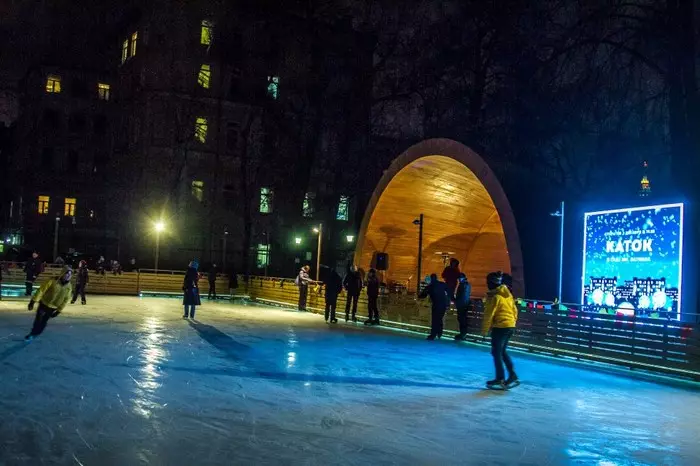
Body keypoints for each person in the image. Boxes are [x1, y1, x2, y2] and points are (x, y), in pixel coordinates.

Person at [482, 271, 519, 389]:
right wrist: (512, 322)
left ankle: (500, 378)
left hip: (501, 327)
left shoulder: (495, 297)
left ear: (491, 283)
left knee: (496, 352)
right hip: (509, 325)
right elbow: (515, 310)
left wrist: (484, 330)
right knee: (501, 351)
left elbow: (489, 314)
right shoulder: (507, 295)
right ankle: (512, 375)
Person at [25, 265, 73, 341]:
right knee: (38, 319)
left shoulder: (69, 286)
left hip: (53, 307)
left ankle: (37, 332)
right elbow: (41, 290)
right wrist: (33, 301)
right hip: (44, 303)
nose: (68, 276)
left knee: (44, 321)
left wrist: (59, 310)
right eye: (67, 273)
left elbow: (66, 299)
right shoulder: (52, 280)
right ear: (62, 273)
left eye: (70, 274)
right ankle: (33, 333)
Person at [418, 273, 451, 340]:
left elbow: (422, 295)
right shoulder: (442, 284)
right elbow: (449, 291)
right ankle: (439, 333)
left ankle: (433, 335)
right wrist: (448, 300)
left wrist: (420, 294)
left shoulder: (430, 286)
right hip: (443, 304)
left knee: (435, 319)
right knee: (439, 319)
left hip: (436, 305)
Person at [454, 273, 472, 340]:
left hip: (462, 305)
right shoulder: (465, 285)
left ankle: (463, 334)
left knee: (462, 319)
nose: (459, 279)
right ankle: (462, 333)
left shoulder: (464, 285)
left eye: (460, 278)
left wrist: (457, 301)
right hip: (463, 304)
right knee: (461, 319)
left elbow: (463, 296)